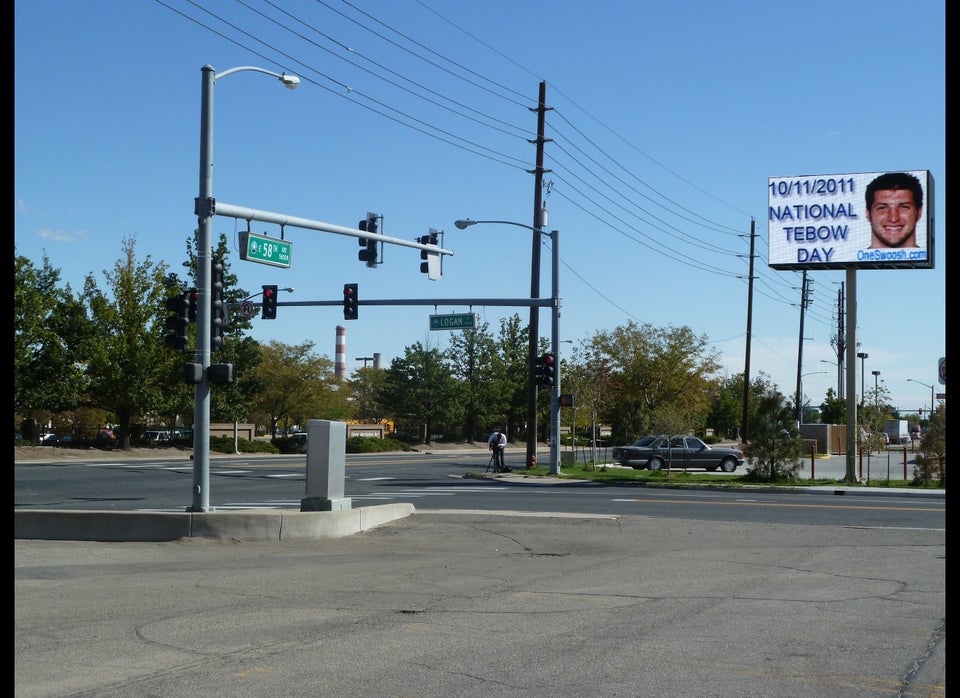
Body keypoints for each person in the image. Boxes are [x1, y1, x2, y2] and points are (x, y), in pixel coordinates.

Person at [865, 172, 923, 249]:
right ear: (868, 214)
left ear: (919, 213)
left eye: (904, 207)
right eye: (882, 208)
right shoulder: (850, 256)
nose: (893, 219)